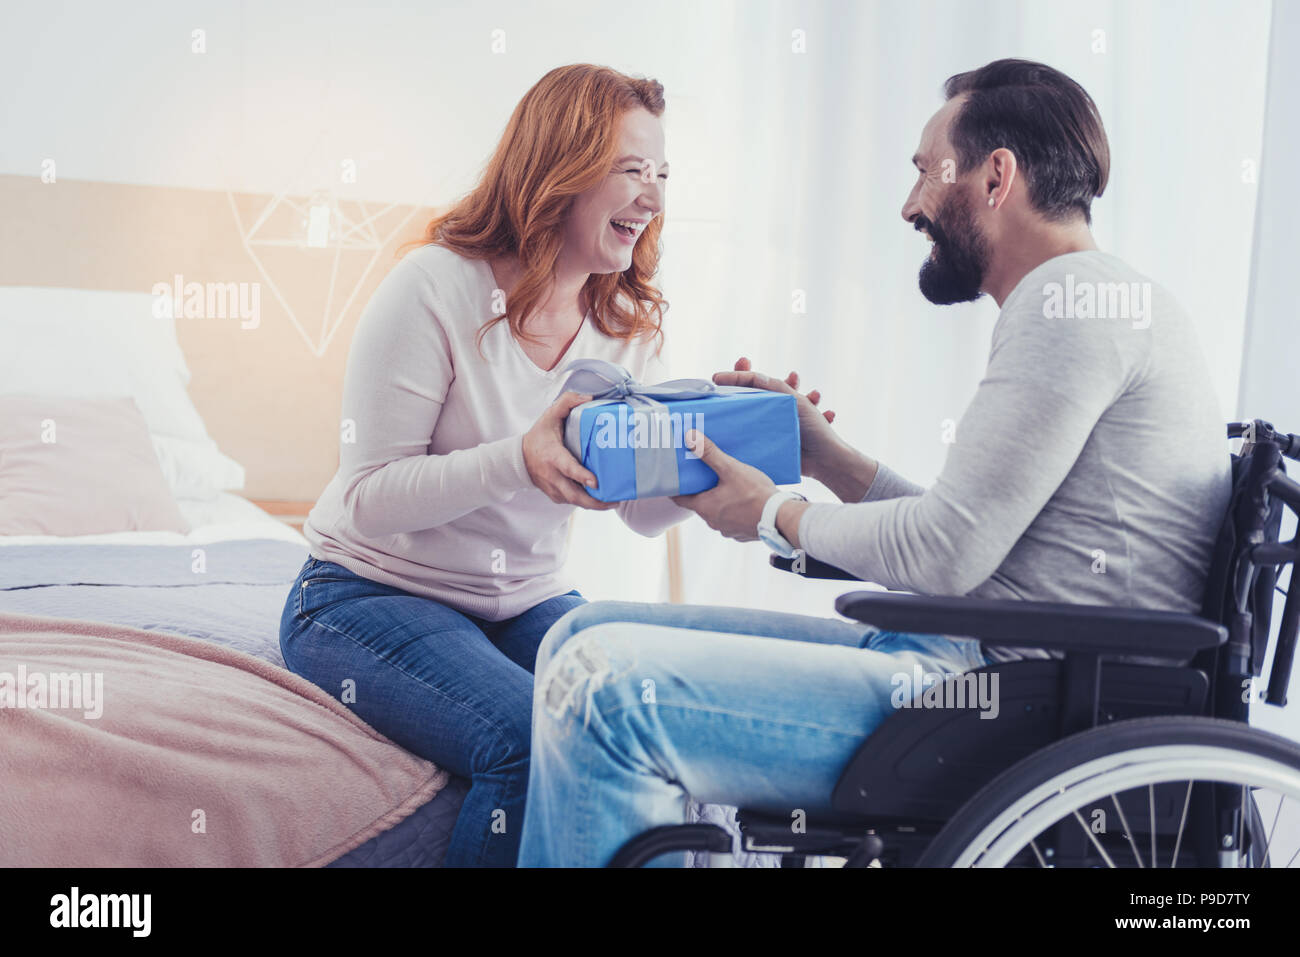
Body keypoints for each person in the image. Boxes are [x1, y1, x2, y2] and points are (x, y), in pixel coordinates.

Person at [516, 58, 1233, 867]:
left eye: (927, 171)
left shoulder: (1068, 310)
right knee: (583, 629)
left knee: (603, 691)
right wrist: (824, 455)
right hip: (993, 671)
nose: (911, 204)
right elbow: (970, 533)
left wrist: (768, 514)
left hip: (1006, 702)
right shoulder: (1094, 299)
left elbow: (947, 552)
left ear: (996, 176)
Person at [278, 64, 690, 867]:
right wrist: (518, 459)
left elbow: (638, 511)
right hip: (364, 592)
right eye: (632, 171)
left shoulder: (623, 321)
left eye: (664, 175)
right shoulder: (434, 286)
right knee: (528, 740)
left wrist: (718, 465)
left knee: (648, 724)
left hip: (524, 598)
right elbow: (366, 500)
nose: (653, 197)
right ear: (558, 168)